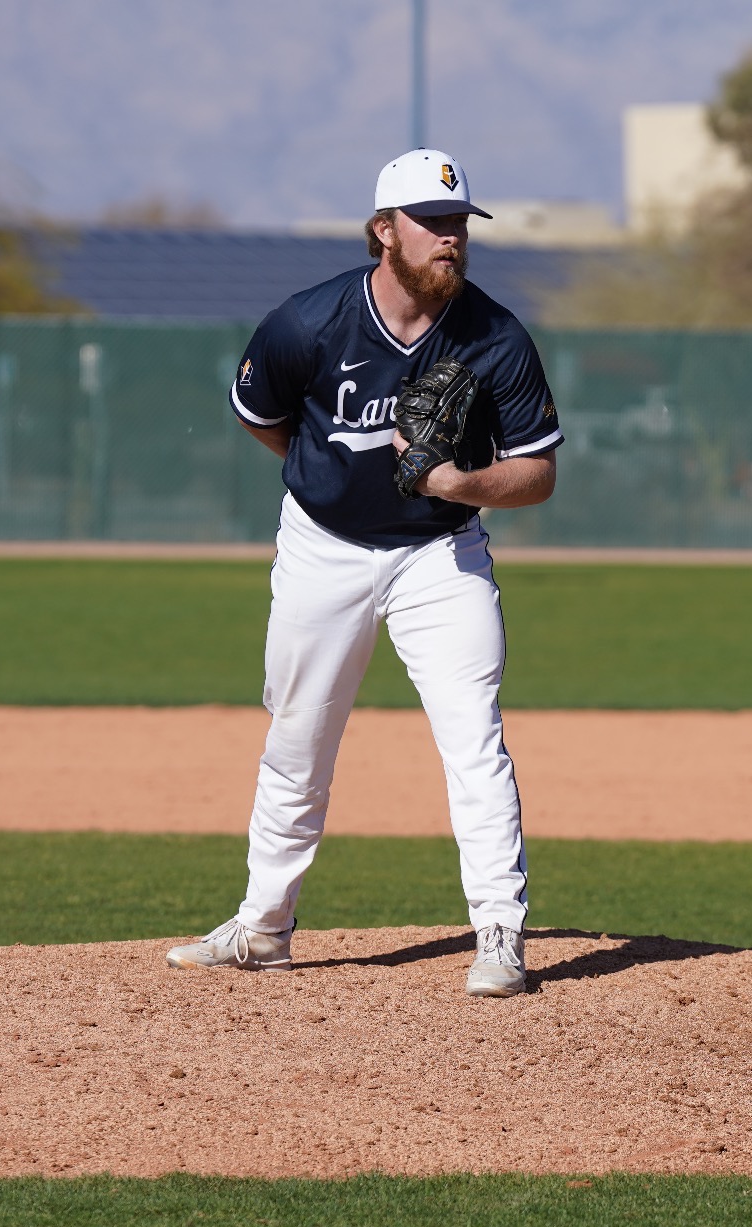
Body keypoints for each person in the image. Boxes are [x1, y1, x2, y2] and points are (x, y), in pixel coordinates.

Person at [164, 149, 560, 998]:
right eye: (433, 223)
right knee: (297, 740)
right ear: (385, 231)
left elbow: (538, 472)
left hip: (440, 553)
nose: (451, 239)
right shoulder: (308, 323)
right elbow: (265, 419)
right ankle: (264, 929)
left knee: (473, 737)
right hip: (324, 548)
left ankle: (500, 934)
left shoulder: (496, 337)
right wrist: (332, 479)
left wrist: (459, 482)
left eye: (459, 223)